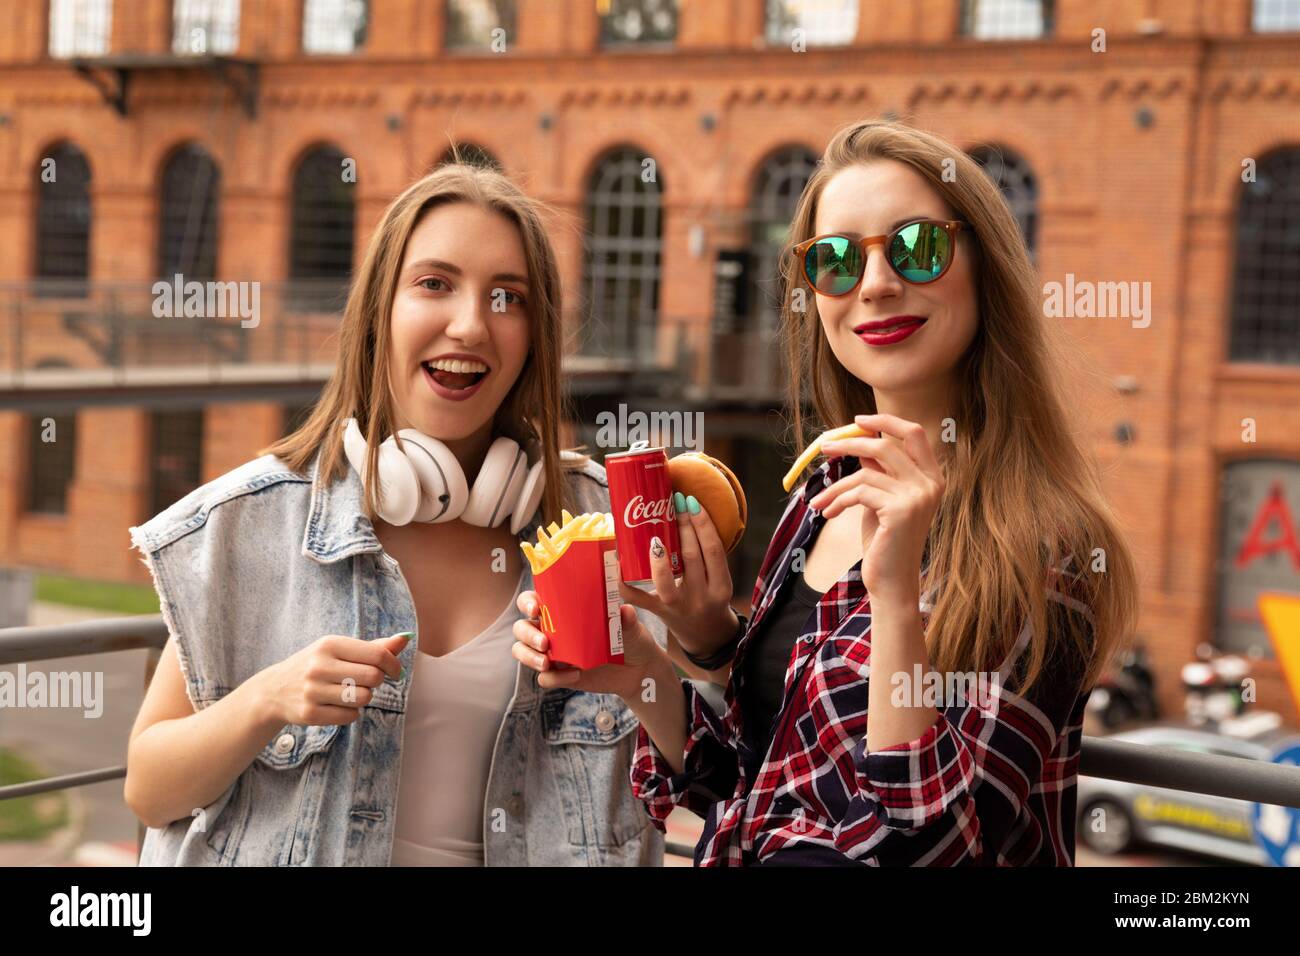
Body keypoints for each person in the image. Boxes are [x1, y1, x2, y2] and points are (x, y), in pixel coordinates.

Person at [511, 119, 1138, 866]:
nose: (875, 283)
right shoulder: (823, 494)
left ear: (986, 268)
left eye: (919, 246)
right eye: (835, 259)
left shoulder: (1045, 545)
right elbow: (755, 787)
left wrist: (897, 592)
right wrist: (645, 667)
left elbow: (933, 850)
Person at [124, 161, 664, 866]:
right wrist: (264, 700)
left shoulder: (602, 524)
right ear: (380, 312)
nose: (470, 324)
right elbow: (149, 790)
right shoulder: (252, 526)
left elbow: (708, 768)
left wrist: (670, 655)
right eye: (434, 284)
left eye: (507, 297)